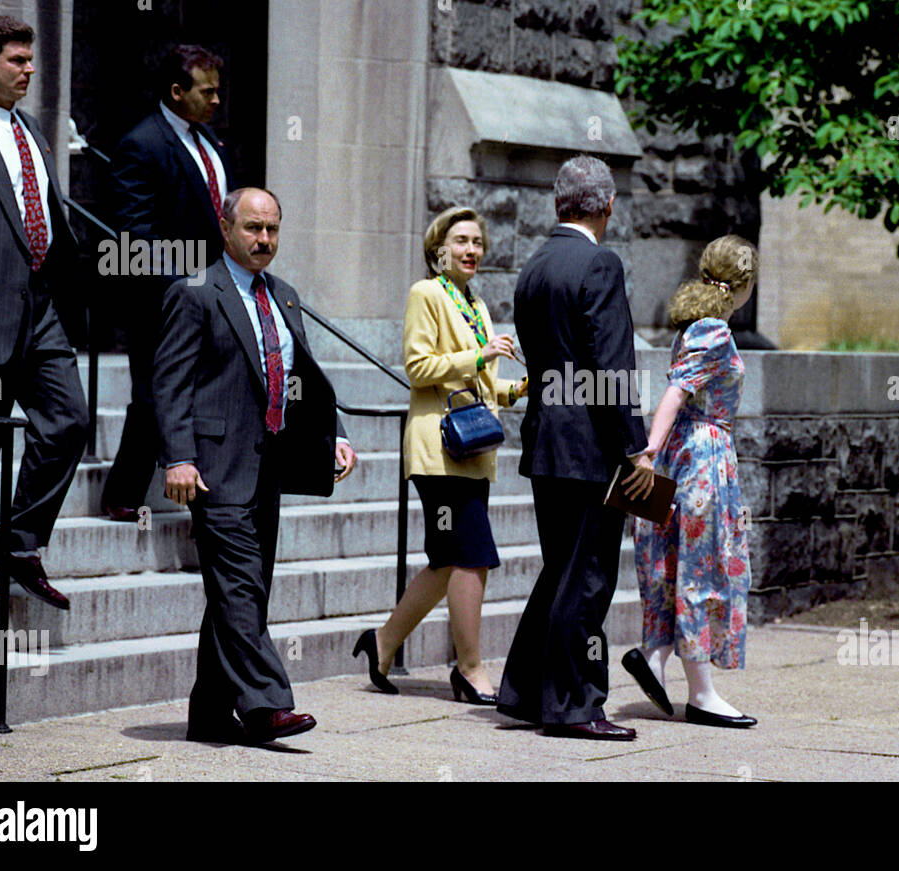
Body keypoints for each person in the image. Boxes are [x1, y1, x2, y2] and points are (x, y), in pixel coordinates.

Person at [153, 187, 357, 744]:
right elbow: (169, 383)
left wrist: (332, 436)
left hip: (268, 468)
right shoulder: (195, 292)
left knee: (242, 589)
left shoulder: (284, 296)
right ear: (225, 229)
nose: (264, 240)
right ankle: (266, 705)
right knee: (240, 586)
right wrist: (178, 457)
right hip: (213, 469)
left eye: (271, 230)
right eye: (252, 228)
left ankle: (211, 713)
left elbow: (302, 383)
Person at [496, 155, 649, 741]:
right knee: (586, 579)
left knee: (562, 569)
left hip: (547, 441)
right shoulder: (600, 263)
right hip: (590, 449)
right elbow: (612, 366)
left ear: (558, 204)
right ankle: (576, 704)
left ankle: (528, 691)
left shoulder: (534, 266)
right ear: (607, 206)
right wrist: (636, 449)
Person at [352, 206, 527, 705]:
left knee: (447, 559)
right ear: (438, 251)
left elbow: (487, 385)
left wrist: (521, 387)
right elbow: (417, 366)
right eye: (462, 242)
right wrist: (480, 355)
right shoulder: (426, 293)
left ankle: (382, 642)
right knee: (474, 556)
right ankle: (470, 669)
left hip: (472, 448)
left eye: (477, 243)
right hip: (438, 451)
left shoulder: (476, 305)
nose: (472, 250)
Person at [0, 15, 88, 608]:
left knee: (70, 419)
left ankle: (19, 544)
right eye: (18, 60)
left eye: (31, 59)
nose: (31, 69)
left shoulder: (31, 128)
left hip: (39, 305)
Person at [623, 235, 758, 728]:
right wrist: (648, 451)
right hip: (701, 455)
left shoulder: (691, 327)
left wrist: (657, 454)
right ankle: (701, 695)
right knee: (705, 567)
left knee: (671, 563)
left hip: (682, 453)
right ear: (743, 286)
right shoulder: (715, 331)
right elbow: (676, 392)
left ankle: (655, 660)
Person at [101, 44, 232, 521]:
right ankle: (122, 493)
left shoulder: (212, 146)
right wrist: (193, 280)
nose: (217, 100)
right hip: (163, 298)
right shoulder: (142, 144)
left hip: (218, 297)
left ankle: (210, 497)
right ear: (177, 92)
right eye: (207, 91)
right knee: (156, 395)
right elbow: (134, 239)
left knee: (207, 395)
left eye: (218, 90)